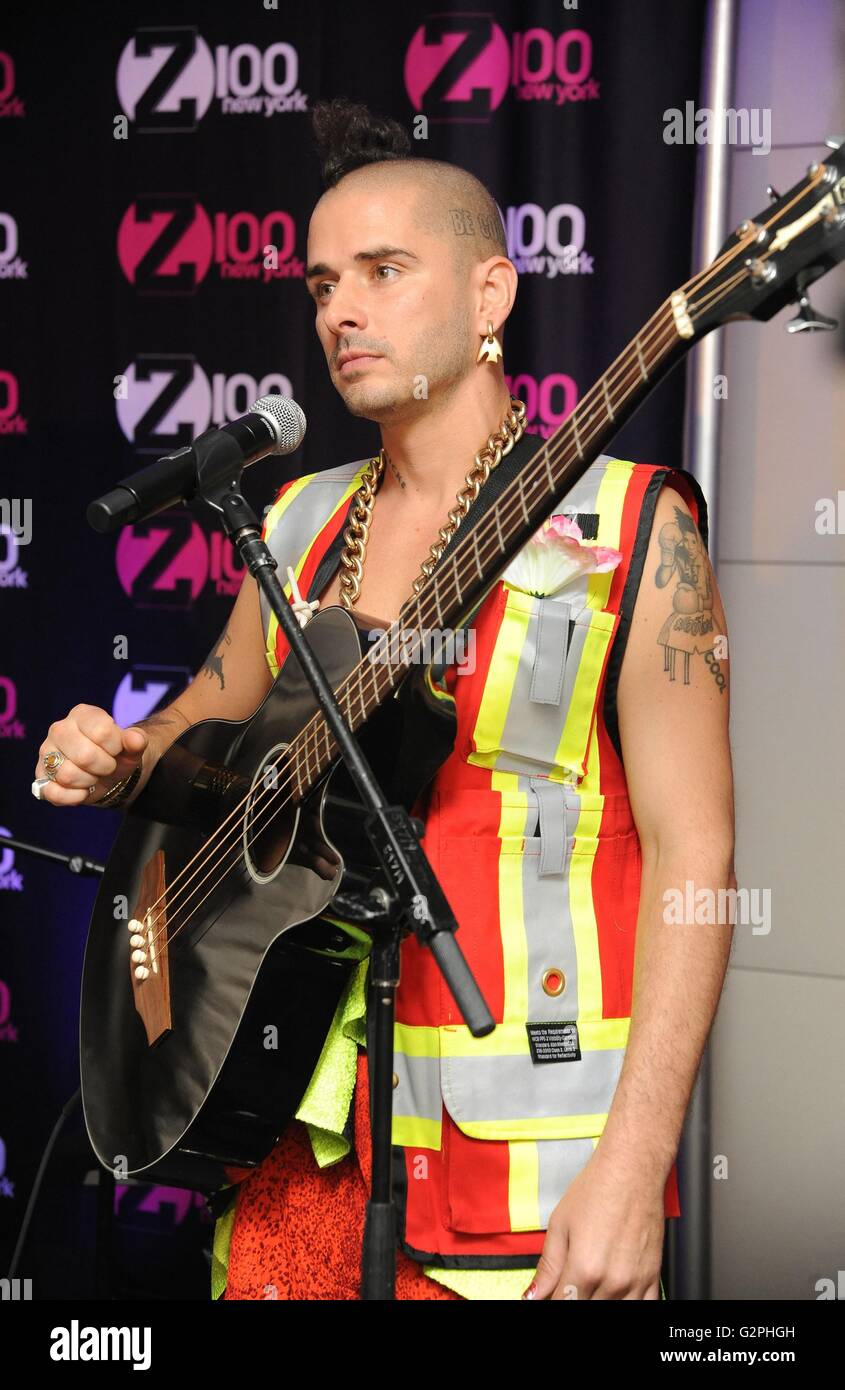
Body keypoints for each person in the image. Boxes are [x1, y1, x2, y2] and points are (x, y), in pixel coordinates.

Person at [33, 99, 736, 1301]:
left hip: (517, 1157)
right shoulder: (297, 522)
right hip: (294, 1126)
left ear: (489, 297)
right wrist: (114, 751)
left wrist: (634, 1165)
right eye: (319, 286)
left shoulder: (630, 527)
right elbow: (200, 727)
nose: (340, 311)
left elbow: (695, 851)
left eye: (382, 271)